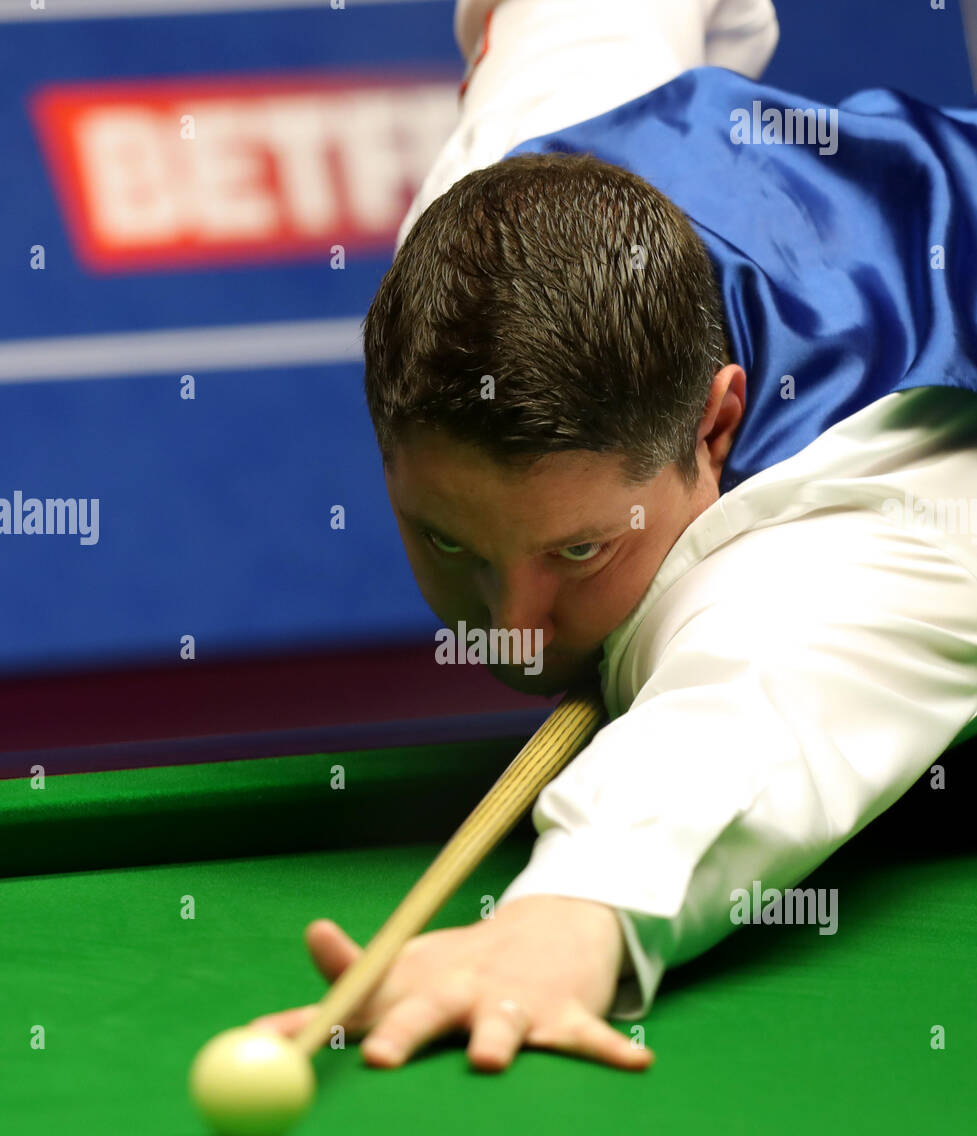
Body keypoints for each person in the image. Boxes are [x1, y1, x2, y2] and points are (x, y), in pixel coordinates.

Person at [257, 0, 977, 1073]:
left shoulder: (855, 514)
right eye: (447, 542)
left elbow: (756, 708)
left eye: (579, 553)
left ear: (715, 425)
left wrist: (567, 913)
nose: (513, 630)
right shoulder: (492, 198)